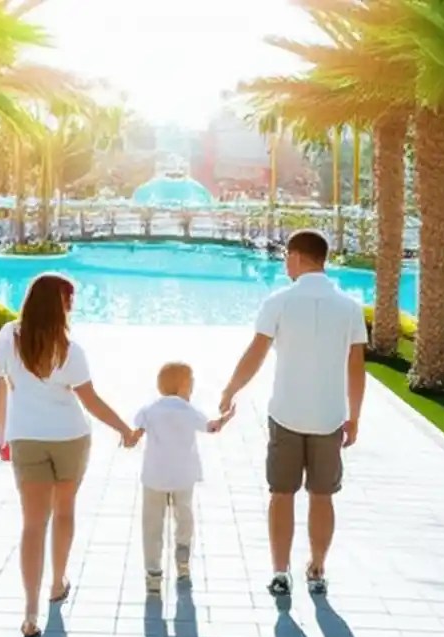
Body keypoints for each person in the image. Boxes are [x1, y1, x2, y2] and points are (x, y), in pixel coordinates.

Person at [219, 229, 367, 597]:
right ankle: (317, 569)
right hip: (329, 417)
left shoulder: (279, 302)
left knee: (281, 493)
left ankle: (280, 572)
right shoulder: (349, 307)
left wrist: (230, 389)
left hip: (286, 414)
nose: (285, 262)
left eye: (287, 255)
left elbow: (256, 353)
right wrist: (354, 417)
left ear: (298, 256)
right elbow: (356, 369)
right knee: (322, 495)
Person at [0, 273, 137, 637]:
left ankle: (30, 612)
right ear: (59, 305)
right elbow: (90, 401)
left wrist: (2, 435)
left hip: (26, 438)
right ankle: (57, 583)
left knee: (32, 524)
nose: (72, 306)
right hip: (70, 438)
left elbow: (3, 389)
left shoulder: (8, 338)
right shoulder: (70, 351)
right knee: (64, 511)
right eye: (69, 299)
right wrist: (124, 429)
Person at [129, 362, 234, 593]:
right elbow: (211, 427)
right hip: (183, 478)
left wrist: (130, 438)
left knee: (151, 524)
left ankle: (153, 572)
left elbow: (137, 432)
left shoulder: (149, 410)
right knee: (184, 517)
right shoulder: (189, 411)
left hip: (154, 478)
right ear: (183, 386)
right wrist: (225, 418)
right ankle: (183, 560)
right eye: (191, 382)